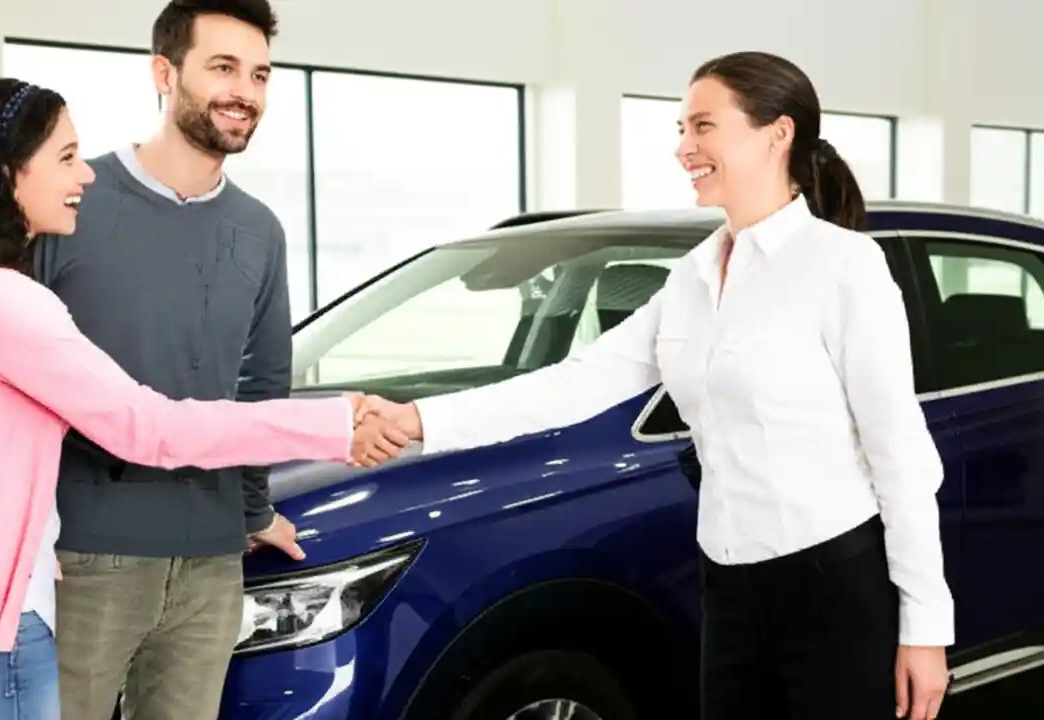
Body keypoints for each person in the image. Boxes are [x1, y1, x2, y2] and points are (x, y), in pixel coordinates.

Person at [356, 51, 952, 720]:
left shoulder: (844, 266)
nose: (683, 148)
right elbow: (575, 384)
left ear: (776, 133)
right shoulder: (693, 275)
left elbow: (900, 455)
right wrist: (417, 420)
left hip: (834, 586)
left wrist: (926, 627)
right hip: (727, 588)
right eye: (679, 129)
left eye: (703, 127)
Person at [0, 76, 407, 720]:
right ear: (7, 173)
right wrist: (335, 421)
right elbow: (148, 428)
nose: (85, 174)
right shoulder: (0, 300)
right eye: (65, 157)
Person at [30, 2, 361, 718]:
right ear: (163, 72)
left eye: (260, 74)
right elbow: (8, 387)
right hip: (83, 557)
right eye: (222, 67)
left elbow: (262, 388)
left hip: (213, 564)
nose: (245, 90)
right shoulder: (69, 203)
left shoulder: (259, 231)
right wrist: (23, 532)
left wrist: (252, 508)